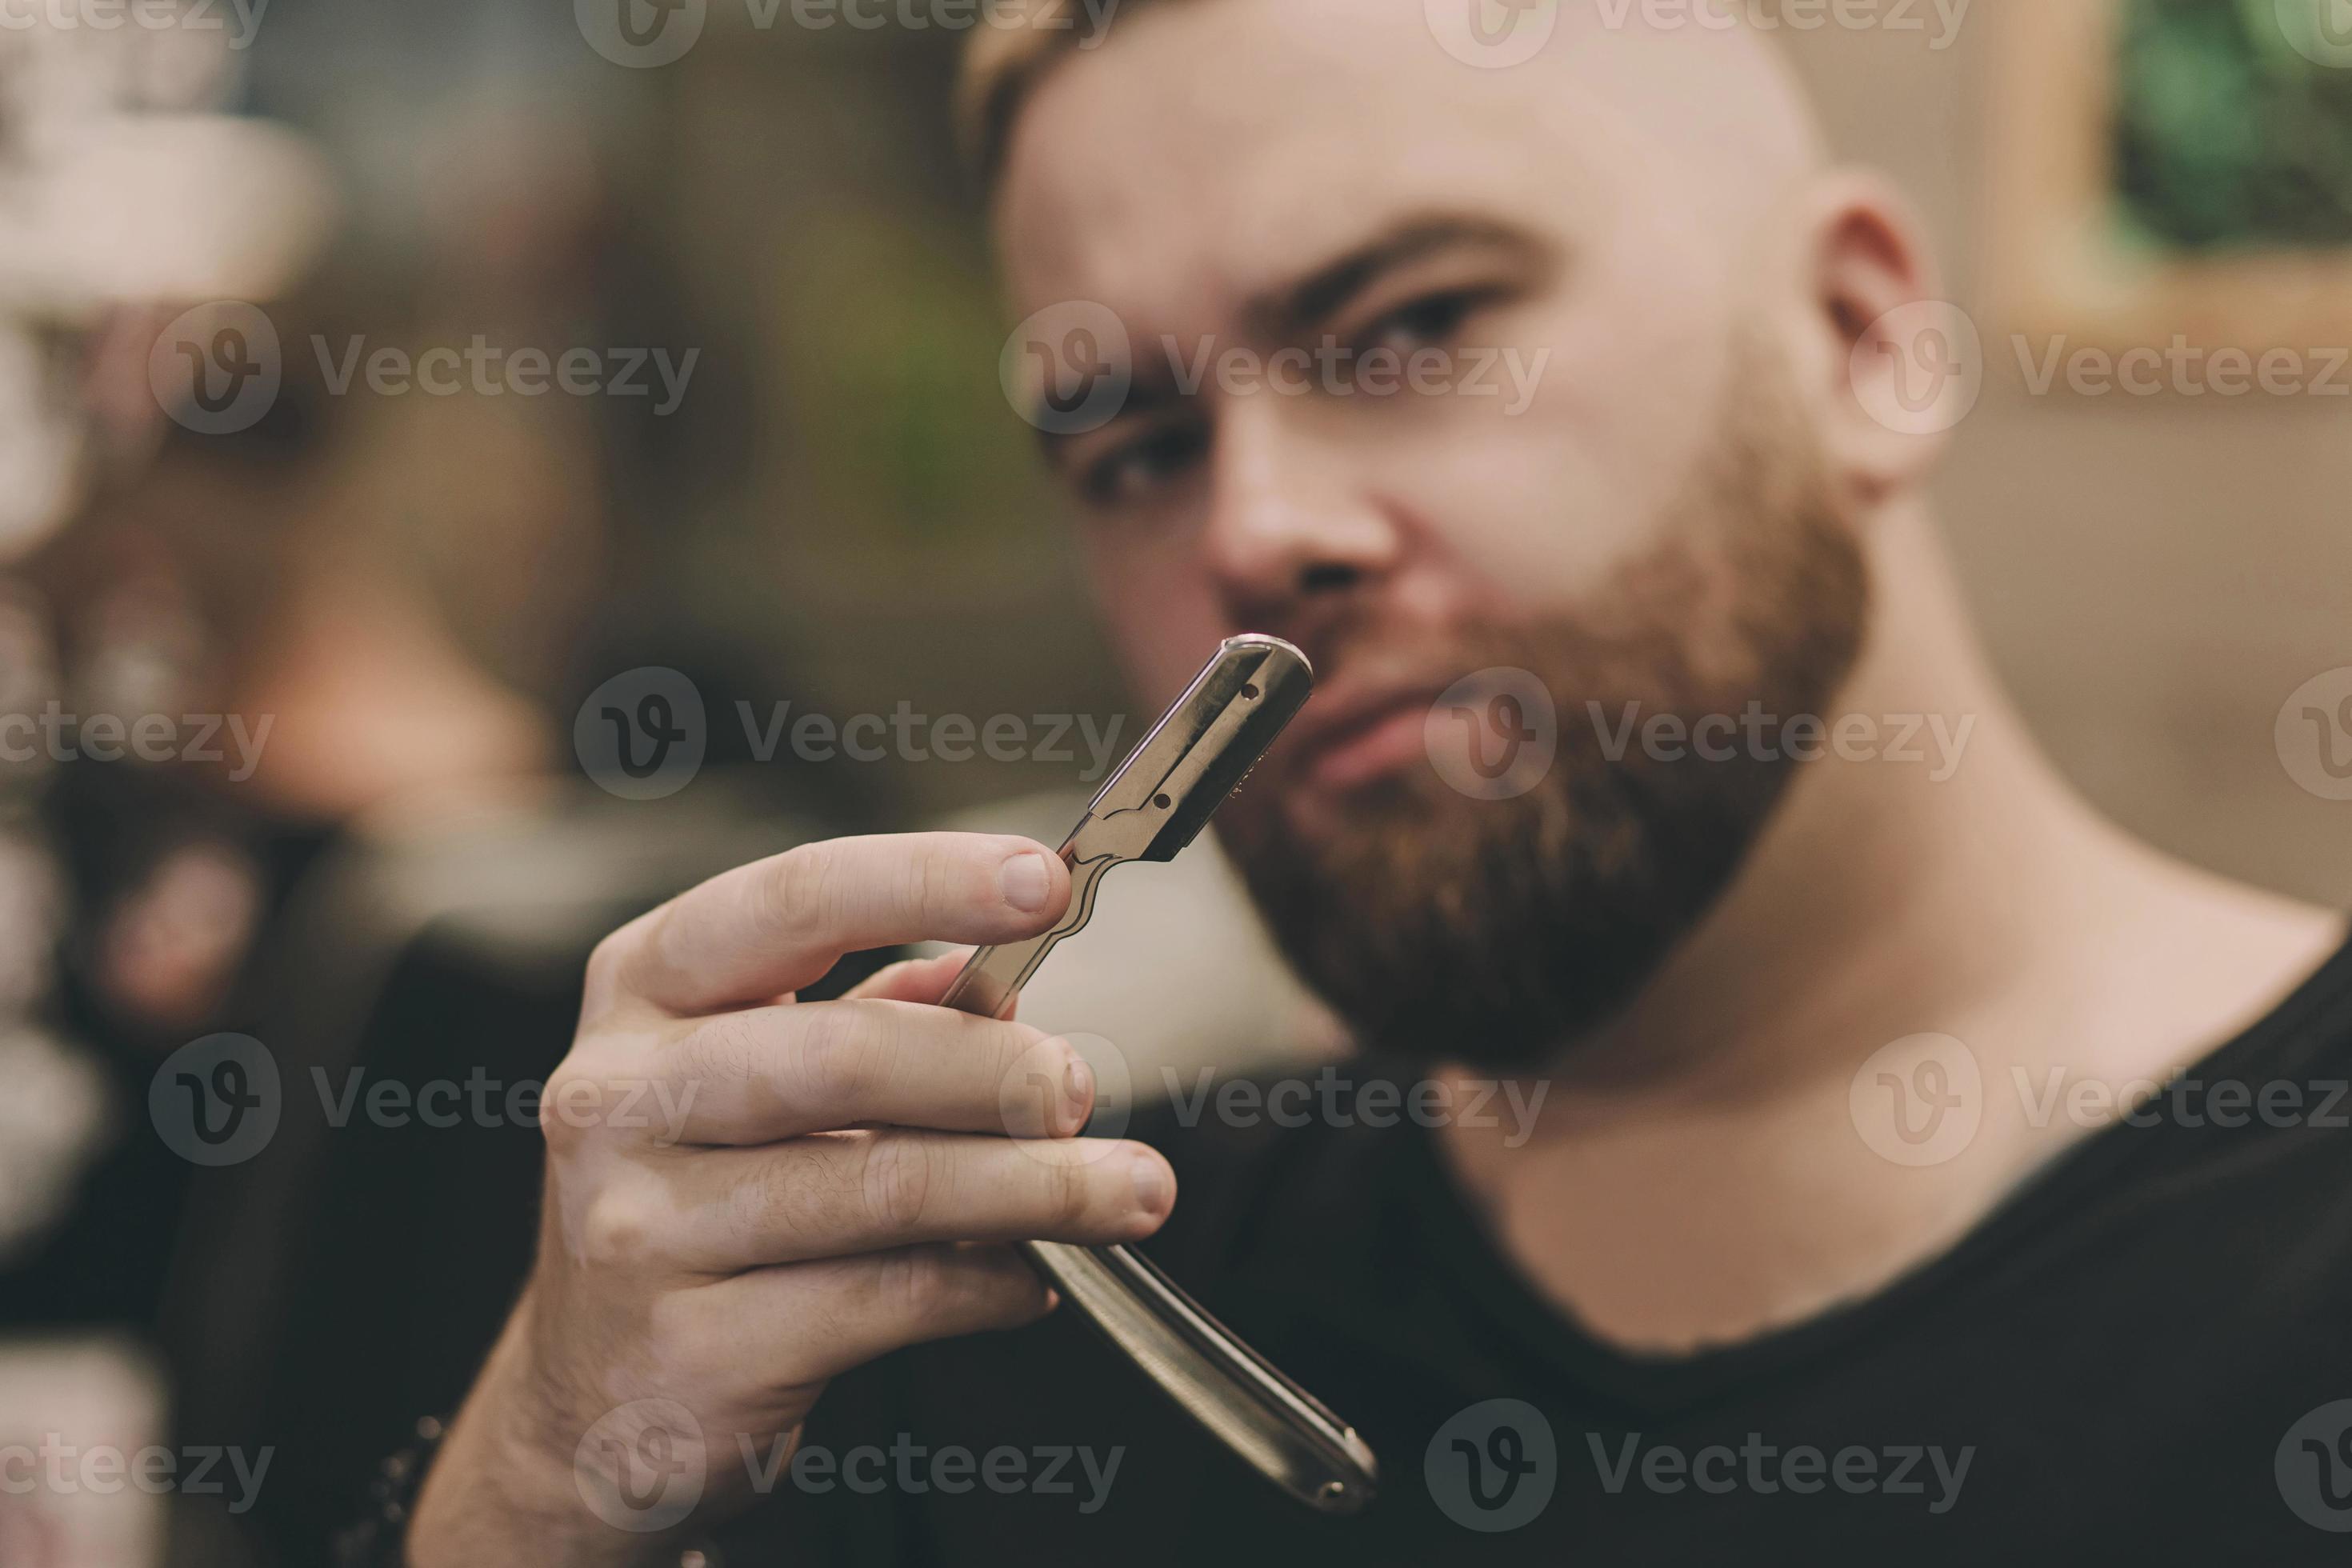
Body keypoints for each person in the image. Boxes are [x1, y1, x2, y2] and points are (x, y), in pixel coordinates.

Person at [400, 2, 2352, 1562]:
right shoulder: (1001, 1323)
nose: (1255, 529)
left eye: (1415, 328)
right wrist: (551, 1481)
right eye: (1133, 447)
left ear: (1854, 338)